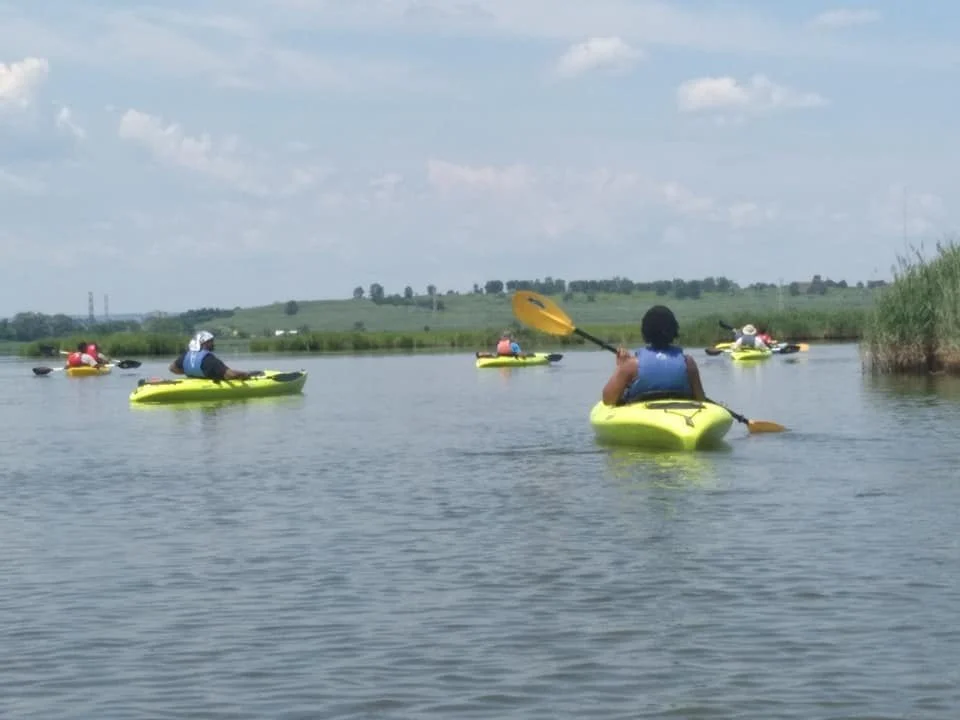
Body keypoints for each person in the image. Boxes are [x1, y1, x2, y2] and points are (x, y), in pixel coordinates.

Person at [602, 305, 706, 406]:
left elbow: (608, 399)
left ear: (645, 332)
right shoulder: (688, 363)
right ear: (674, 330)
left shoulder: (631, 365)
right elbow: (700, 398)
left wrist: (621, 366)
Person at [170, 330, 253, 381]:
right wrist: (246, 374)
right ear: (204, 343)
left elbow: (172, 368)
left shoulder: (185, 355)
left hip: (193, 381)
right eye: (211, 341)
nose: (213, 344)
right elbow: (231, 375)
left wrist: (192, 374)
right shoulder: (209, 359)